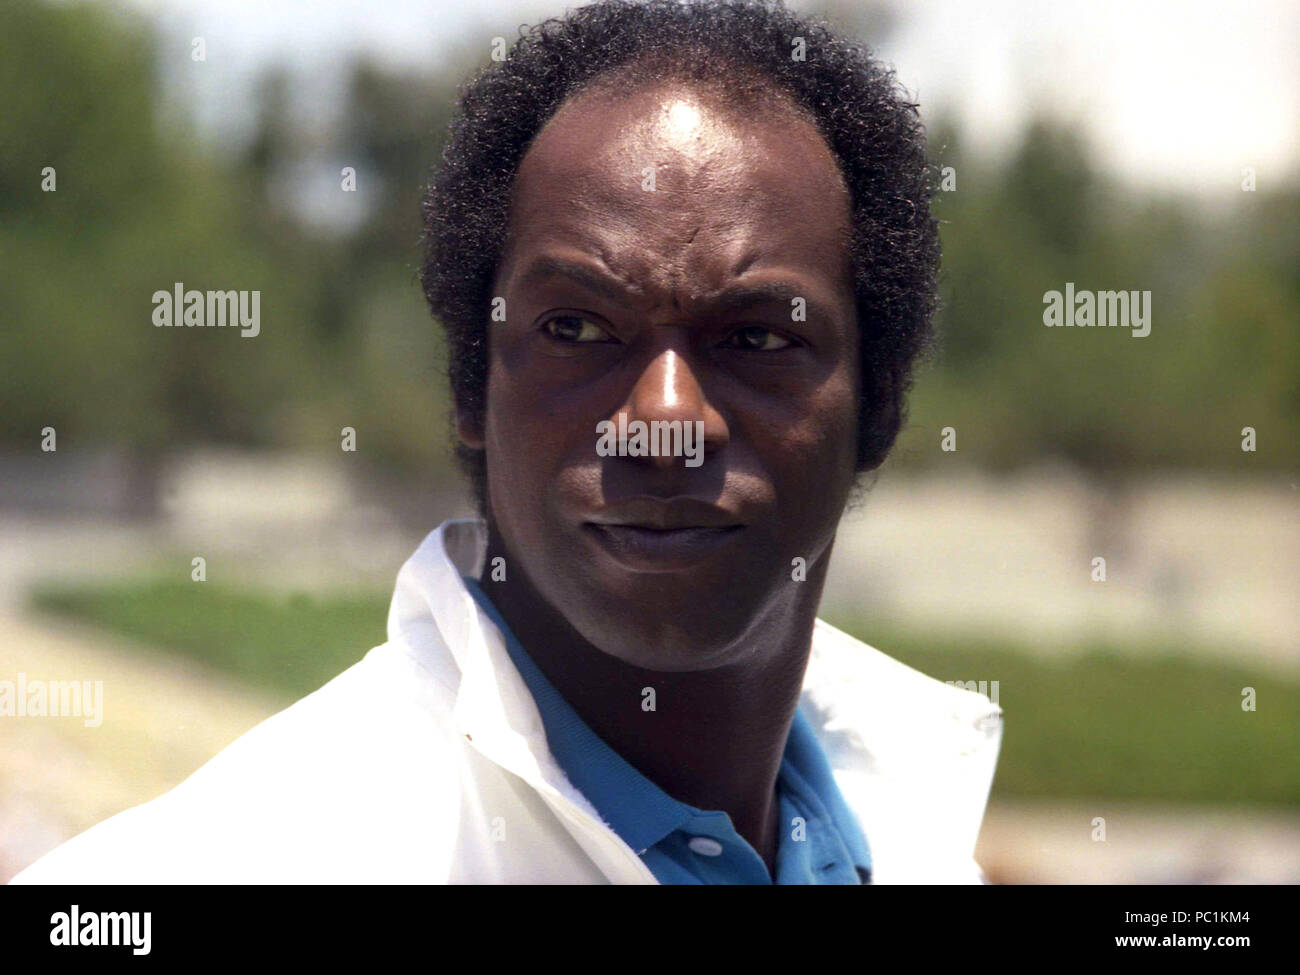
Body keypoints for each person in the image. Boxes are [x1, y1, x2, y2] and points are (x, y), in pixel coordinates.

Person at [13, 0, 1001, 885]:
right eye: (575, 329)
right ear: (471, 389)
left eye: (757, 337)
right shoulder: (216, 870)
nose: (662, 419)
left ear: (877, 404)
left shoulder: (910, 847)